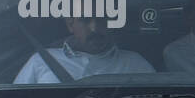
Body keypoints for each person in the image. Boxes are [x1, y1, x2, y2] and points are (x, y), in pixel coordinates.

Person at [14, 14, 155, 83]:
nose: (94, 28)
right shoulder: (42, 61)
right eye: (85, 20)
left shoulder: (135, 63)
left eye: (101, 19)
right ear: (70, 25)